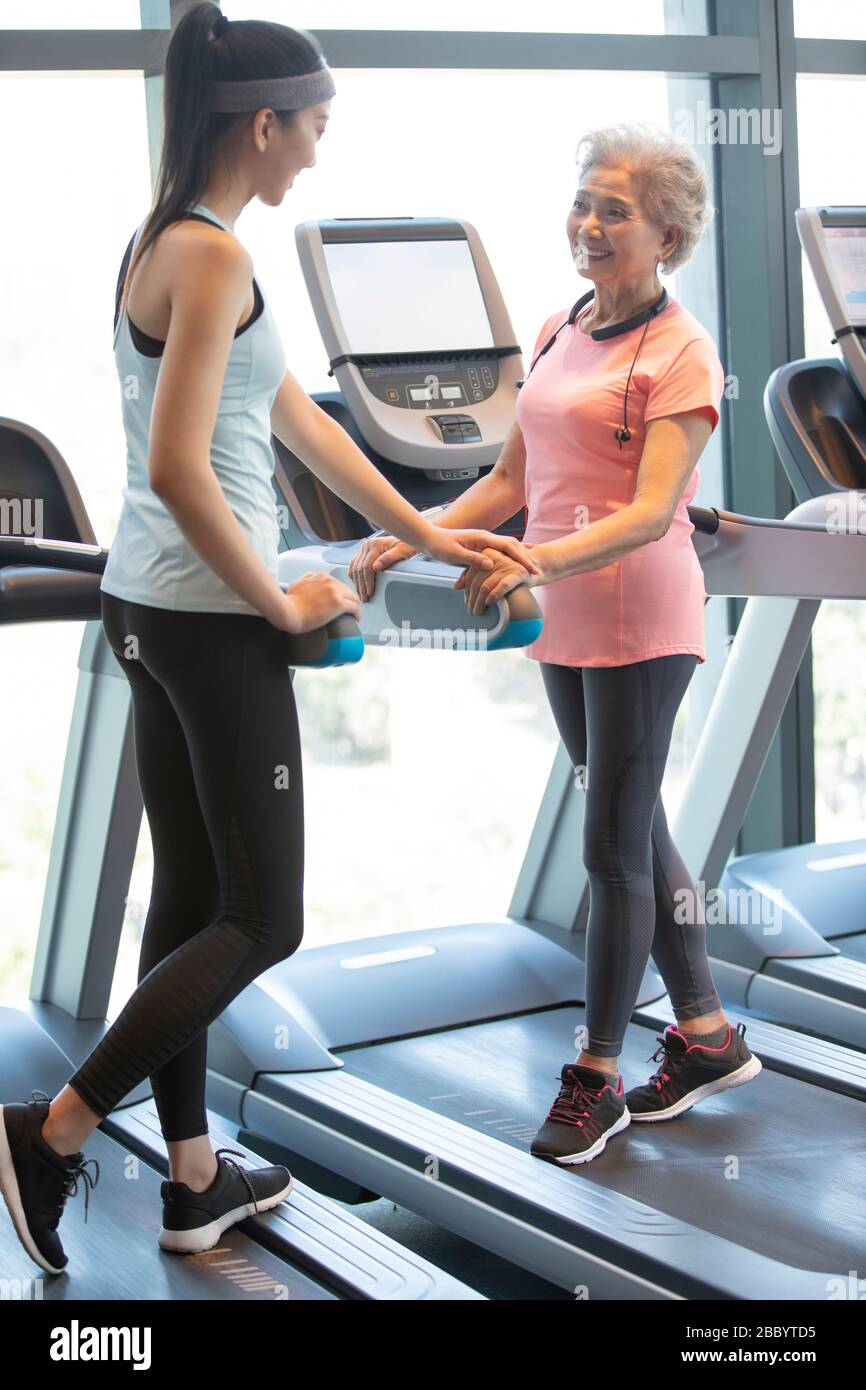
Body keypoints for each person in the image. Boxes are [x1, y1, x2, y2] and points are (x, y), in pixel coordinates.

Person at [0, 3, 539, 1276]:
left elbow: (295, 417)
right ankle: (52, 1132)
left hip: (153, 611)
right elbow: (185, 469)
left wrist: (430, 531)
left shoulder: (174, 237)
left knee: (191, 900)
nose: (316, 149)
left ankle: (192, 1179)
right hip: (208, 619)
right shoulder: (213, 257)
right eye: (312, 127)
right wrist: (280, 599)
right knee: (265, 918)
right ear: (261, 123)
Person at [350, 122, 762, 1167]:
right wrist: (401, 537)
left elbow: (650, 509)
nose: (586, 225)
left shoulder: (680, 351)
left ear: (665, 234)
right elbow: (508, 485)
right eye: (581, 202)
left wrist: (536, 560)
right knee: (630, 820)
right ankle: (706, 1033)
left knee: (609, 844)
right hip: (564, 606)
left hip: (633, 602)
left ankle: (595, 1075)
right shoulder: (555, 327)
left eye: (612, 211)